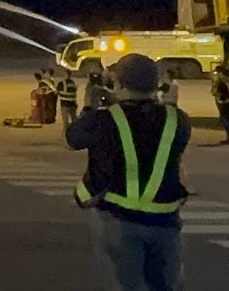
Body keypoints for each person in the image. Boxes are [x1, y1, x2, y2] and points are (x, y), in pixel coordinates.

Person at [67, 54, 190, 291]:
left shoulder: (105, 119)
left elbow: (74, 138)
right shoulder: (179, 120)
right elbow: (148, 130)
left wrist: (91, 105)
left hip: (120, 218)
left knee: (126, 285)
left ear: (118, 83)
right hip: (166, 219)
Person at [213, 65, 229, 145]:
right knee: (224, 120)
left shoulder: (225, 82)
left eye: (218, 73)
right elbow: (214, 92)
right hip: (222, 103)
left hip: (226, 104)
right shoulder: (220, 82)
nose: (217, 74)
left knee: (225, 120)